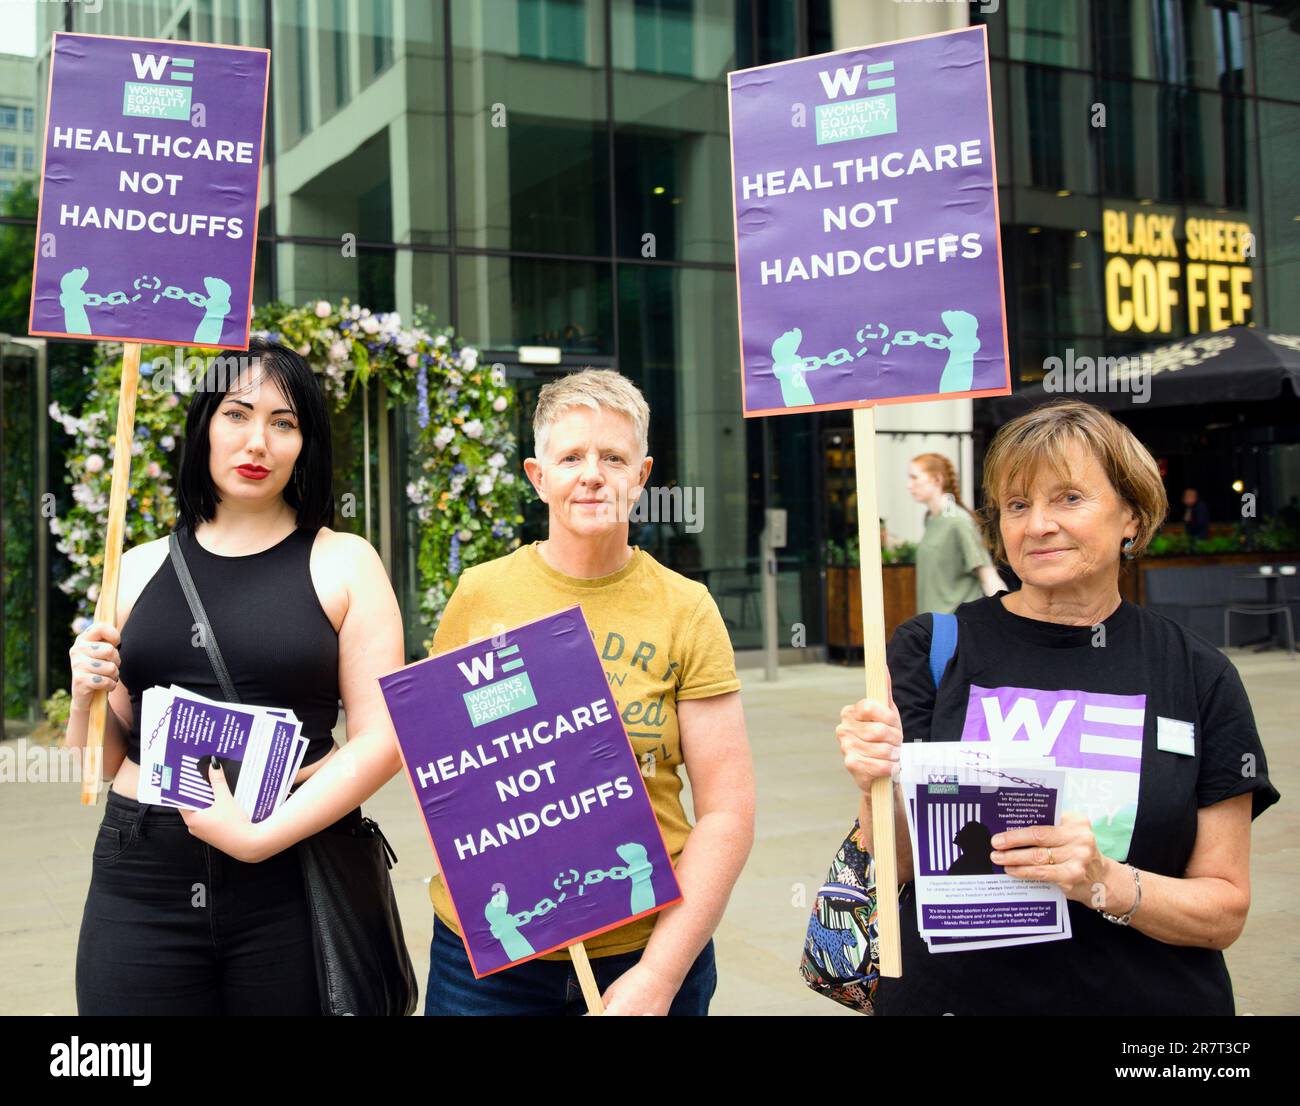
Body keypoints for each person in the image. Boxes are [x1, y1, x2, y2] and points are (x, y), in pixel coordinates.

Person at [835, 400, 1279, 1015]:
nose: (1038, 524)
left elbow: (1224, 912)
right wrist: (873, 783)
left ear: (1132, 513)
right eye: (1017, 505)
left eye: (1068, 498)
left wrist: (1102, 879)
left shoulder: (1197, 674)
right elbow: (896, 869)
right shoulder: (931, 650)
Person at [69, 339, 405, 1015]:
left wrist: (256, 839)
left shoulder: (344, 562)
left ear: (305, 443)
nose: (258, 441)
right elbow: (99, 762)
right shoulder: (133, 568)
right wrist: (84, 694)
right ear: (204, 426)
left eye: (284, 422)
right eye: (237, 413)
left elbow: (384, 740)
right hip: (144, 872)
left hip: (293, 866)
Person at [423, 369, 755, 1016]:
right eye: (571, 456)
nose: (593, 474)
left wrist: (659, 977)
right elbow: (445, 768)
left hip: (647, 947)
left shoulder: (686, 608)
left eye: (614, 457)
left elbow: (728, 813)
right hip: (489, 955)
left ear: (643, 474)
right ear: (537, 475)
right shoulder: (482, 596)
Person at [907, 452, 1004, 613]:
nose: (909, 485)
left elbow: (988, 576)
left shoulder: (958, 521)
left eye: (914, 477)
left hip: (957, 628)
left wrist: (1008, 623)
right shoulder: (931, 520)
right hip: (933, 627)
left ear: (937, 479)